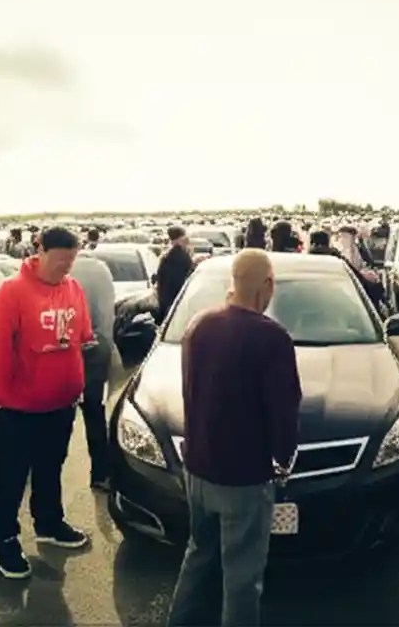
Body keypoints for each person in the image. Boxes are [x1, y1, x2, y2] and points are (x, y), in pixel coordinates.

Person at [166, 249, 302, 627]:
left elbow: (192, 391)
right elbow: (284, 409)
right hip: (242, 478)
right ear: (268, 285)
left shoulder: (198, 325)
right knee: (242, 578)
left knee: (198, 556)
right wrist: (283, 460)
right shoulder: (271, 337)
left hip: (197, 469)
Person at [0, 226, 95, 579]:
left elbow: (82, 336)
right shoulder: (11, 292)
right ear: (40, 251)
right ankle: (1, 540)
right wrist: (7, 396)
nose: (66, 268)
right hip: (19, 409)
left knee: (50, 468)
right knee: (11, 477)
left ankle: (48, 522)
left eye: (72, 261)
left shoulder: (73, 288)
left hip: (61, 402)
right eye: (61, 260)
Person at [70, 249, 117, 491]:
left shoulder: (59, 269)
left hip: (61, 353)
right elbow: (107, 316)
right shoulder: (101, 271)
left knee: (57, 419)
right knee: (94, 413)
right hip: (94, 353)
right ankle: (100, 473)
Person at [156, 225, 194, 321]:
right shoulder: (178, 256)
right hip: (175, 305)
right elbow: (181, 282)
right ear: (180, 238)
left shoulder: (167, 256)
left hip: (166, 303)